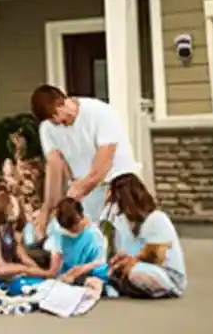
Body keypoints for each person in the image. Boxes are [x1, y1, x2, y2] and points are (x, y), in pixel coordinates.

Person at [31, 85, 139, 233]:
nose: (56, 121)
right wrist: (47, 209)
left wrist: (79, 190)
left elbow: (104, 162)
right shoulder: (47, 128)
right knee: (90, 238)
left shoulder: (100, 112)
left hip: (120, 184)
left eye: (56, 115)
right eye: (51, 120)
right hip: (86, 190)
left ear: (61, 102)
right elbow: (55, 168)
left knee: (124, 235)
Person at [106, 173, 187, 298]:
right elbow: (126, 252)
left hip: (164, 273)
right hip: (134, 267)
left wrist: (130, 262)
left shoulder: (157, 219)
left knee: (136, 273)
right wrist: (118, 261)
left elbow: (155, 255)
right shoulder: (122, 222)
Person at [34, 197, 109, 293]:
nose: (71, 230)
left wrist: (81, 269)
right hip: (65, 275)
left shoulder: (94, 234)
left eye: (74, 226)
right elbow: (54, 267)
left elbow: (100, 262)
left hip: (88, 274)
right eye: (67, 228)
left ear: (80, 217)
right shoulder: (59, 232)